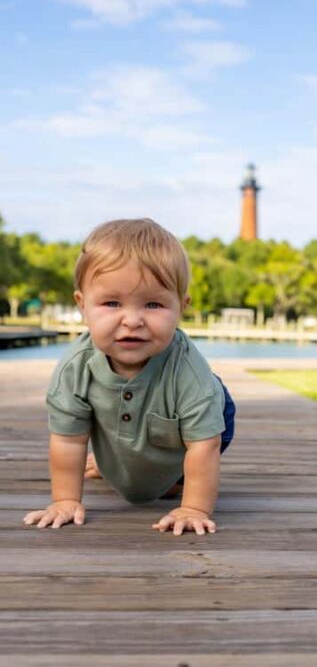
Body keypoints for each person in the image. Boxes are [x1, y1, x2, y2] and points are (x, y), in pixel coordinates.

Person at [23, 218, 235, 537]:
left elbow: (205, 446)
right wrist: (65, 500)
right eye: (112, 303)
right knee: (114, 436)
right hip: (123, 412)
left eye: (153, 304)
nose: (132, 320)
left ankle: (175, 477)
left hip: (199, 421)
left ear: (181, 307)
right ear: (83, 305)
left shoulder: (190, 372)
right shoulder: (75, 368)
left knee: (191, 452)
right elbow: (68, 440)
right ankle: (114, 462)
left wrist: (194, 507)